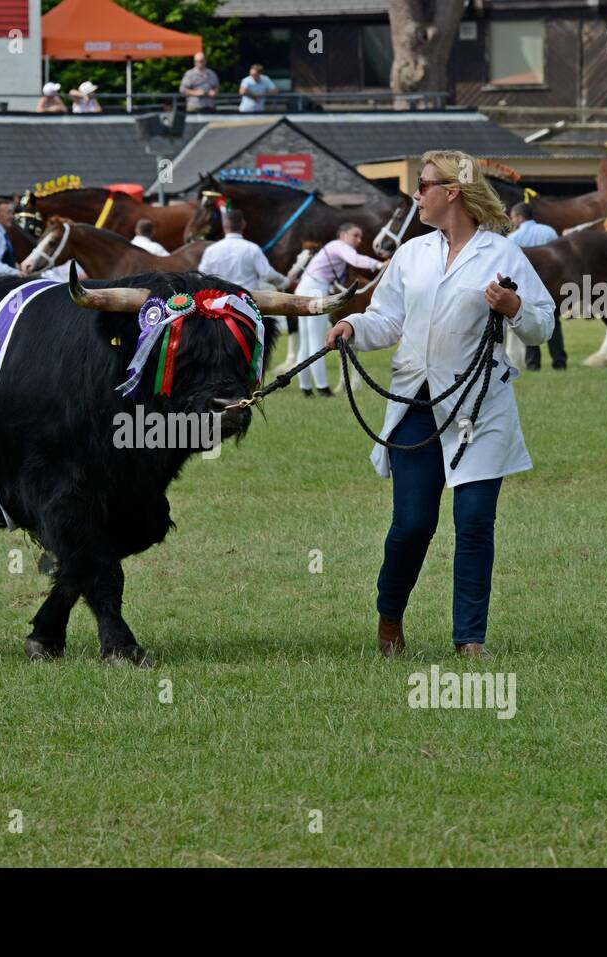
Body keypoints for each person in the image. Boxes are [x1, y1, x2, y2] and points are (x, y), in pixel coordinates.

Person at [325, 150, 554, 660]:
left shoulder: (503, 254)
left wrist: (514, 307)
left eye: (423, 185)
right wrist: (353, 327)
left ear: (451, 192)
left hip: (479, 408)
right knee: (412, 524)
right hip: (415, 407)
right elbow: (386, 319)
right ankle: (390, 615)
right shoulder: (411, 254)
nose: (416, 194)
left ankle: (469, 638)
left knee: (473, 522)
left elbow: (543, 324)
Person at [295, 223, 384, 397]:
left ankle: (306, 387)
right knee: (314, 340)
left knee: (306, 341)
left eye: (360, 236)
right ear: (342, 235)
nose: (358, 240)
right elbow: (356, 260)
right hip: (315, 291)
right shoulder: (338, 246)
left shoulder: (333, 247)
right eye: (355, 235)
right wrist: (380, 265)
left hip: (306, 289)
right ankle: (322, 388)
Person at [507, 202, 566, 371]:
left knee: (529, 322)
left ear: (519, 217)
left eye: (513, 218)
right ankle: (559, 361)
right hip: (550, 283)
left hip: (526, 286)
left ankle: (533, 364)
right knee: (554, 321)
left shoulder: (513, 238)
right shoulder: (548, 231)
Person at [198, 208, 287, 292]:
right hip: (247, 301)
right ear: (243, 225)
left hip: (220, 301)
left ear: (224, 226)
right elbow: (267, 274)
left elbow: (202, 276)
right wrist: (286, 283)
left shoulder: (211, 250)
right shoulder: (252, 248)